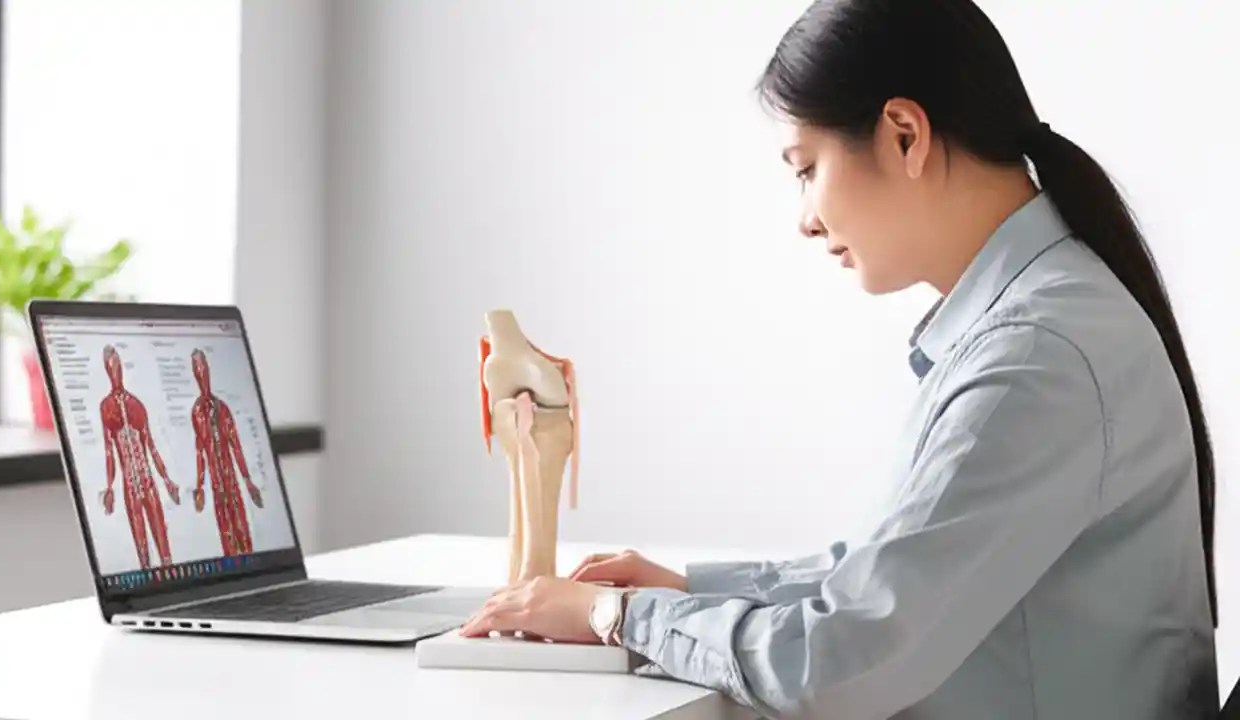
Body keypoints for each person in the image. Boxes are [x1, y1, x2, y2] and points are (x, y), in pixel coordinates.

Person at [459, 1, 1220, 717]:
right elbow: (888, 575)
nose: (805, 220)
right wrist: (687, 587)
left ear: (904, 135)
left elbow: (841, 663)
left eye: (805, 168)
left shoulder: (1034, 358)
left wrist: (616, 615)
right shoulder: (1040, 316)